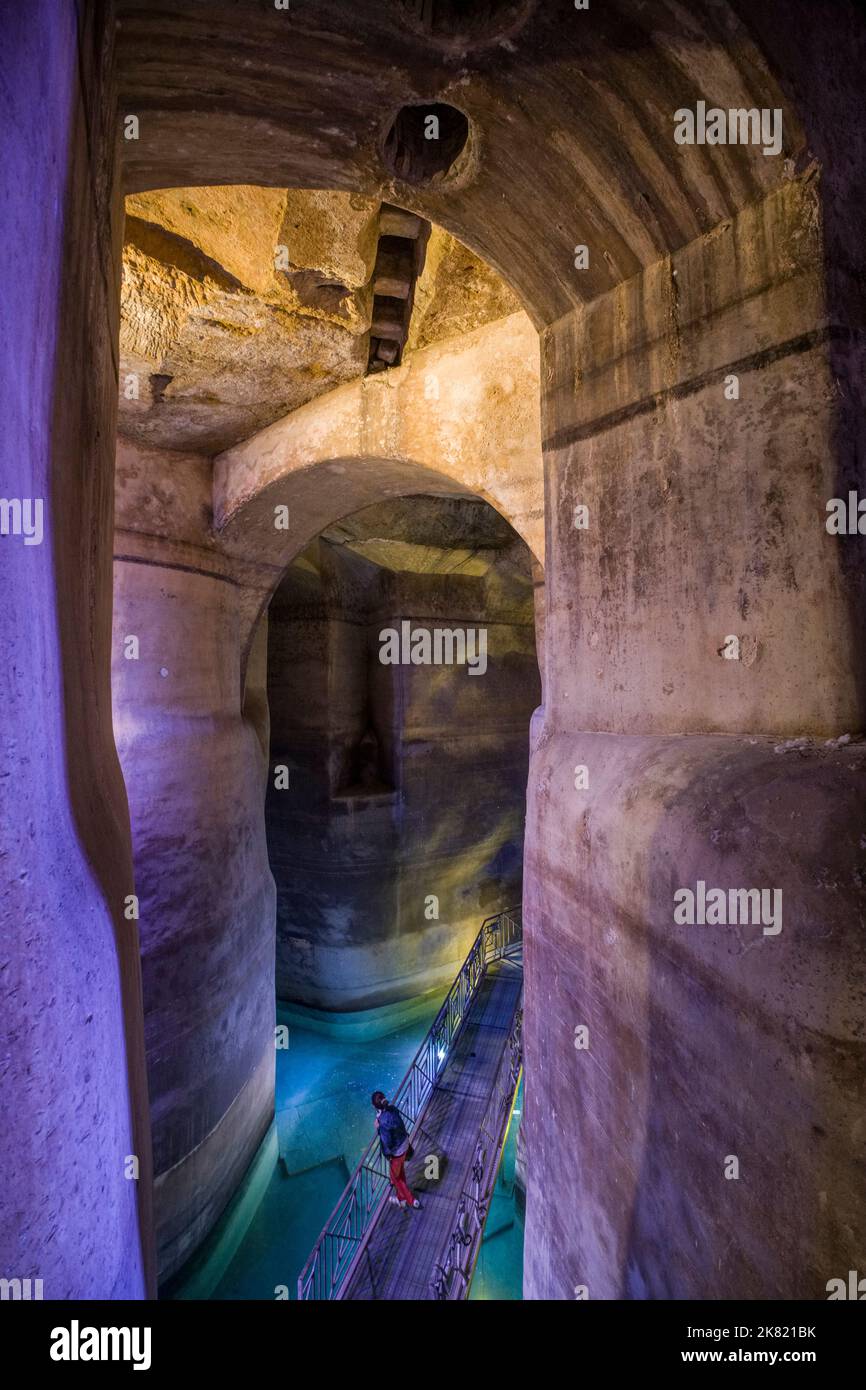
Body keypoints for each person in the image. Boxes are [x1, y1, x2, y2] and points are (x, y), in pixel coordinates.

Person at [372, 1091, 421, 1210]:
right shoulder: (392, 1109)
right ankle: (400, 1199)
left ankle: (411, 1200)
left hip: (397, 1152)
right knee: (395, 1174)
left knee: (398, 1178)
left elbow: (387, 1142)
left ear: (374, 1106)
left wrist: (378, 1129)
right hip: (405, 1143)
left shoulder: (382, 1122)